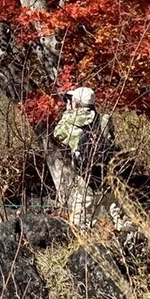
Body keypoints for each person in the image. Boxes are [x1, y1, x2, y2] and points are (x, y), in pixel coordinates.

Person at [53, 86, 125, 230]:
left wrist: (68, 112)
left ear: (76, 102)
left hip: (85, 180)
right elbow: (110, 139)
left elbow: (57, 134)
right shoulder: (104, 120)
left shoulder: (70, 121)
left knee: (79, 224)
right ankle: (127, 246)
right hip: (108, 177)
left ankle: (90, 248)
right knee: (119, 219)